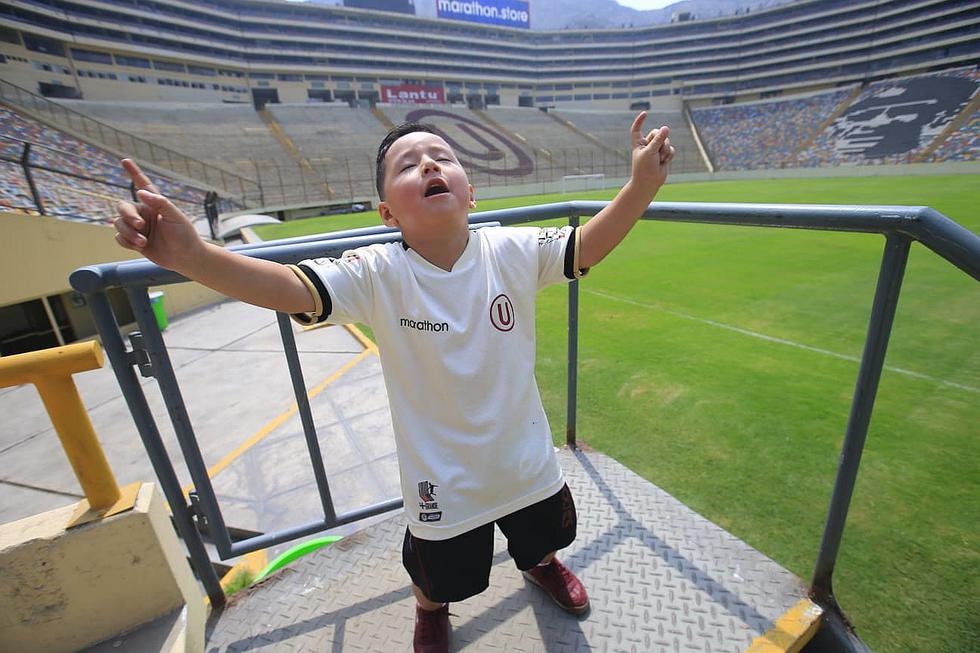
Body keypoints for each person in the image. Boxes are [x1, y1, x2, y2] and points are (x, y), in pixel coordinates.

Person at [113, 113, 674, 653]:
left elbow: (587, 245)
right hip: (442, 480)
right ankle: (430, 612)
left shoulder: (511, 250)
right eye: (409, 166)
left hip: (524, 457)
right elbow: (290, 288)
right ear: (387, 213)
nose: (429, 167)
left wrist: (641, 185)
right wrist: (193, 256)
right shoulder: (377, 273)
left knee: (540, 535)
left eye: (442, 158)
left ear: (470, 192)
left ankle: (542, 566)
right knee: (437, 575)